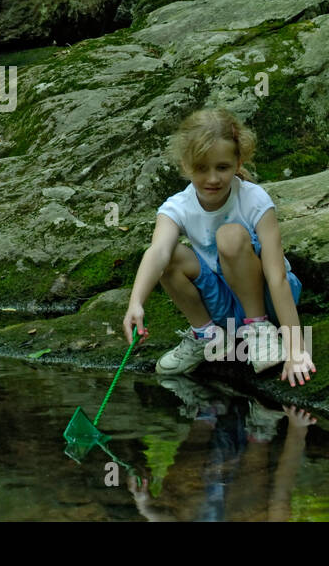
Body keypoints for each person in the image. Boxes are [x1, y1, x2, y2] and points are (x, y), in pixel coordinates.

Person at [121, 107, 315, 386]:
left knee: (230, 236)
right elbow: (158, 253)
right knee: (170, 257)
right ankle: (208, 336)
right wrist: (136, 302)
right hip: (223, 302)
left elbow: (277, 276)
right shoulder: (177, 207)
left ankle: (259, 330)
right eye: (201, 168)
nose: (212, 179)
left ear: (238, 162)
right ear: (186, 166)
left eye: (222, 167)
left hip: (266, 297)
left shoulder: (254, 200)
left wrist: (296, 350)